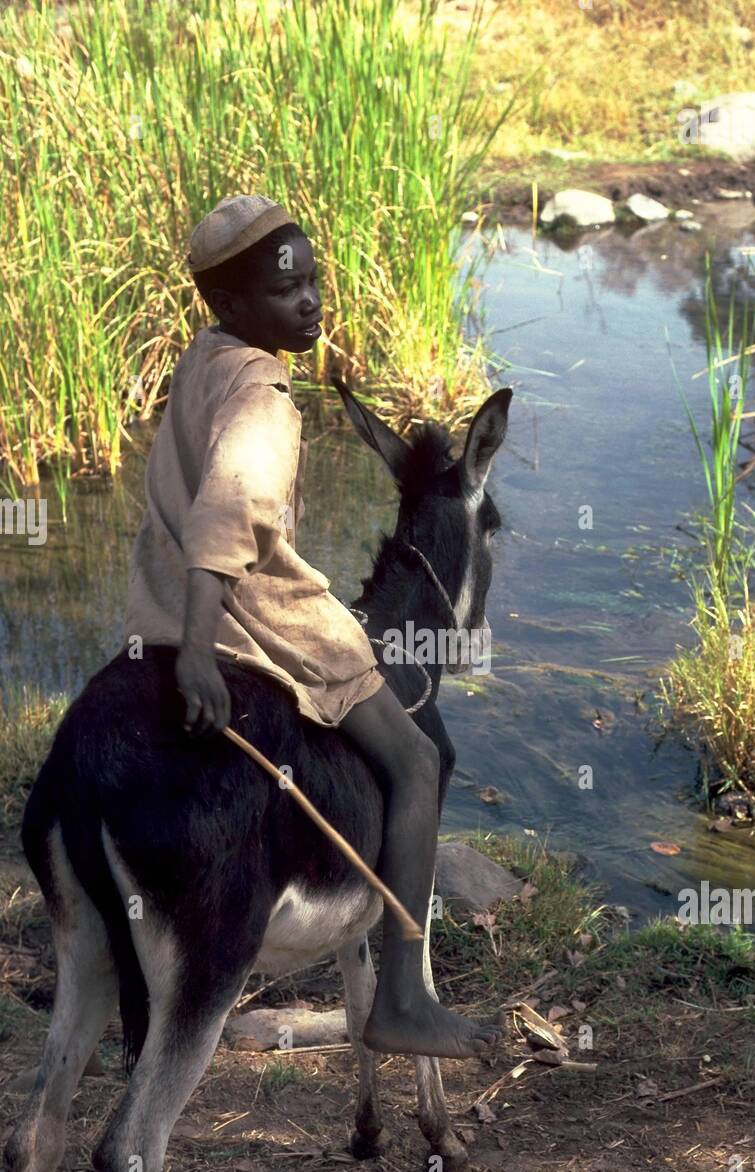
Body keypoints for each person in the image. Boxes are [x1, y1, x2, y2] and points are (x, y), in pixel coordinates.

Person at [124, 194, 500, 1059]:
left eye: (313, 281)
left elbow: (180, 506)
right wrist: (206, 640)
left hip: (159, 611)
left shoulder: (203, 361)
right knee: (416, 759)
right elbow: (229, 508)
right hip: (260, 614)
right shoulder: (263, 389)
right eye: (284, 289)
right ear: (231, 307)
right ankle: (402, 998)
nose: (310, 302)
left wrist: (180, 627)